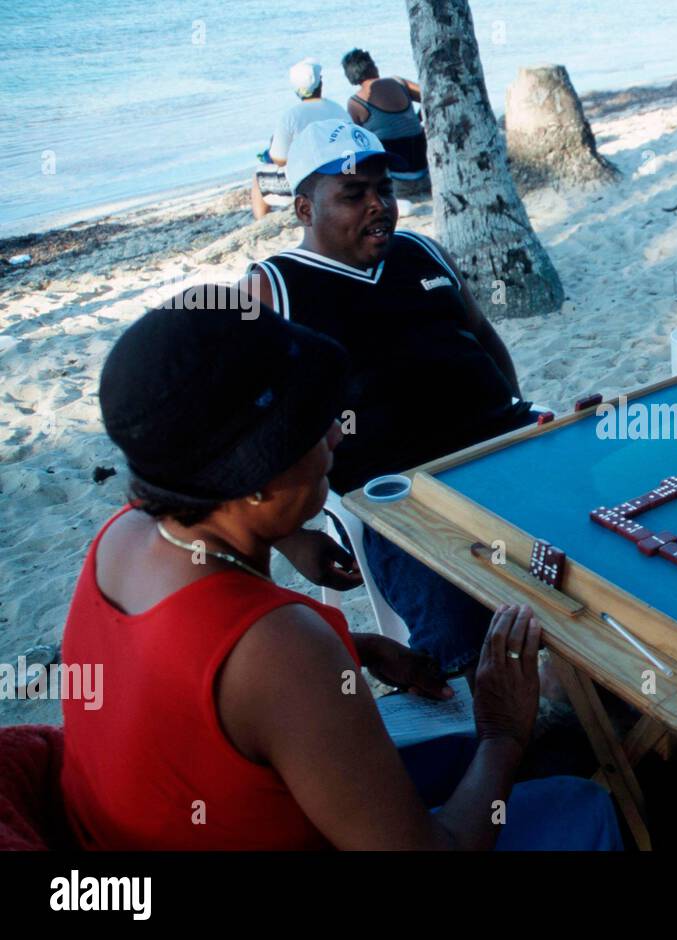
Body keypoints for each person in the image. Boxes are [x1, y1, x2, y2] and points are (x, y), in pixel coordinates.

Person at [60, 287, 621, 850]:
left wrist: (350, 646)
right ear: (252, 482)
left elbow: (194, 678)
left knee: (454, 747)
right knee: (584, 803)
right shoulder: (280, 650)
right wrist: (504, 733)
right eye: (309, 425)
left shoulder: (126, 534)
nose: (334, 433)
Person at [240, 120, 534, 686]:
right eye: (354, 195)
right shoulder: (272, 289)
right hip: (400, 495)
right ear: (304, 210)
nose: (379, 206)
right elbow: (241, 425)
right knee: (459, 632)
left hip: (503, 450)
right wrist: (292, 537)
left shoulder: (422, 253)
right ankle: (495, 725)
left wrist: (518, 414)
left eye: (386, 190)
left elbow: (485, 339)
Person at [252, 59, 348, 220]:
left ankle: (261, 221)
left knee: (258, 178)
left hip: (306, 182)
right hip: (338, 175)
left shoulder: (291, 116)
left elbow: (279, 159)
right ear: (320, 84)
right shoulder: (338, 109)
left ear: (296, 90)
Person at [342, 48, 431, 197]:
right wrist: (418, 118)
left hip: (395, 182)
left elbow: (355, 144)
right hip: (427, 173)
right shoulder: (399, 82)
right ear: (373, 66)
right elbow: (432, 95)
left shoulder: (355, 102)